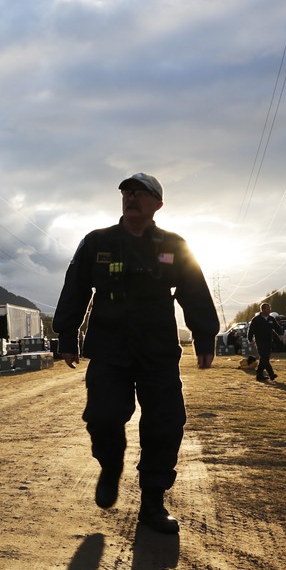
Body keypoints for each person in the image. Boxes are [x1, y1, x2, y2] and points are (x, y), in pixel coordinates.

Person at [53, 172, 219, 536]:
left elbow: (193, 288)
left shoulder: (174, 244)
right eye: (127, 192)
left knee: (165, 423)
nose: (132, 197)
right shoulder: (97, 242)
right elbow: (76, 287)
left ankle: (152, 502)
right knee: (103, 416)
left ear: (158, 203)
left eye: (141, 193)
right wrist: (67, 334)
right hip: (109, 347)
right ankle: (110, 466)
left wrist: (205, 335)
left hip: (157, 349)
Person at [246, 303, 282, 382]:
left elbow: (277, 327)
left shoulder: (271, 319)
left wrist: (280, 334)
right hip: (259, 341)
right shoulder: (256, 319)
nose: (268, 310)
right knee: (264, 357)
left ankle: (259, 375)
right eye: (266, 309)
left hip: (269, 341)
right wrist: (250, 339)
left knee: (264, 358)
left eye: (269, 309)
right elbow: (250, 330)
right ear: (262, 310)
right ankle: (271, 373)